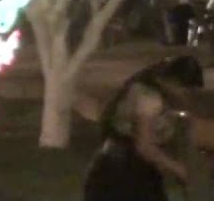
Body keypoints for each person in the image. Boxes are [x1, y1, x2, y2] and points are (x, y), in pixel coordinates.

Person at [83, 55, 204, 201]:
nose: (185, 95)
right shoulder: (149, 98)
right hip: (123, 173)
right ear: (174, 83)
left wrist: (177, 116)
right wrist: (177, 168)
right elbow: (144, 147)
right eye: (185, 90)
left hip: (120, 166)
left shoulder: (146, 86)